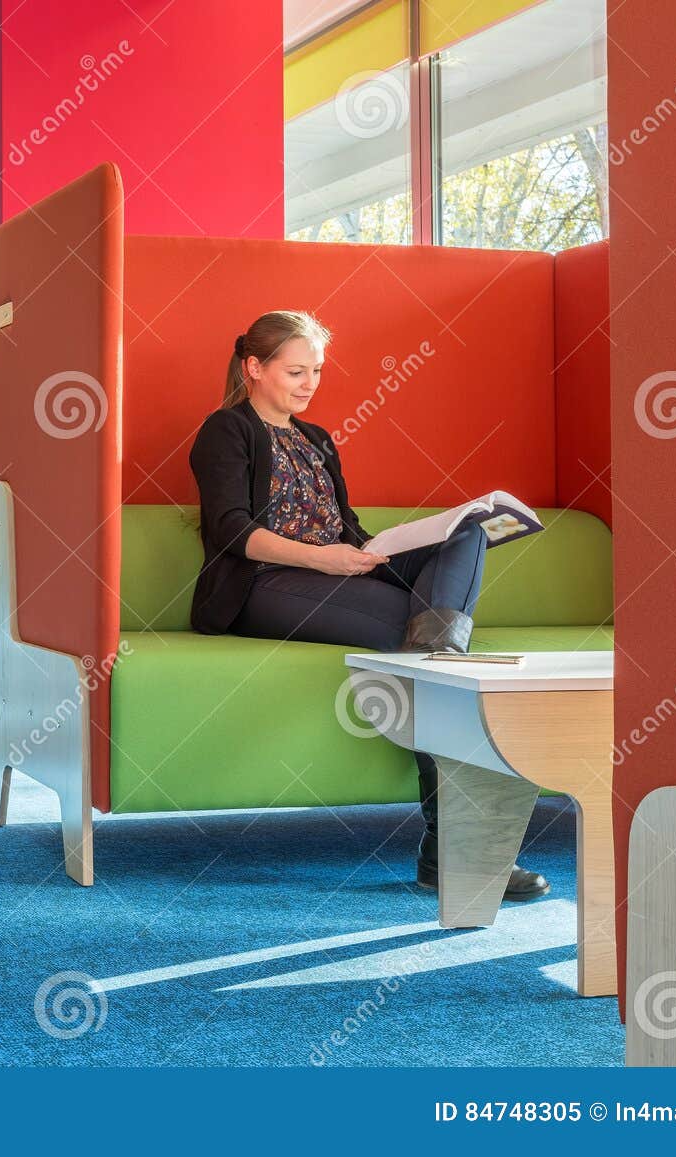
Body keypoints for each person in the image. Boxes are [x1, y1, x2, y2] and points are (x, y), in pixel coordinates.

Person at [187, 310, 547, 900]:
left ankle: (439, 656)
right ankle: (458, 847)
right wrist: (322, 559)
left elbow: (344, 527)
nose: (310, 384)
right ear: (254, 368)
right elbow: (230, 531)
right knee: (434, 654)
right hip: (264, 585)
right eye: (296, 371)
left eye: (318, 372)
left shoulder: (317, 439)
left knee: (467, 534)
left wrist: (373, 553)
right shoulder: (226, 431)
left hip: (336, 568)